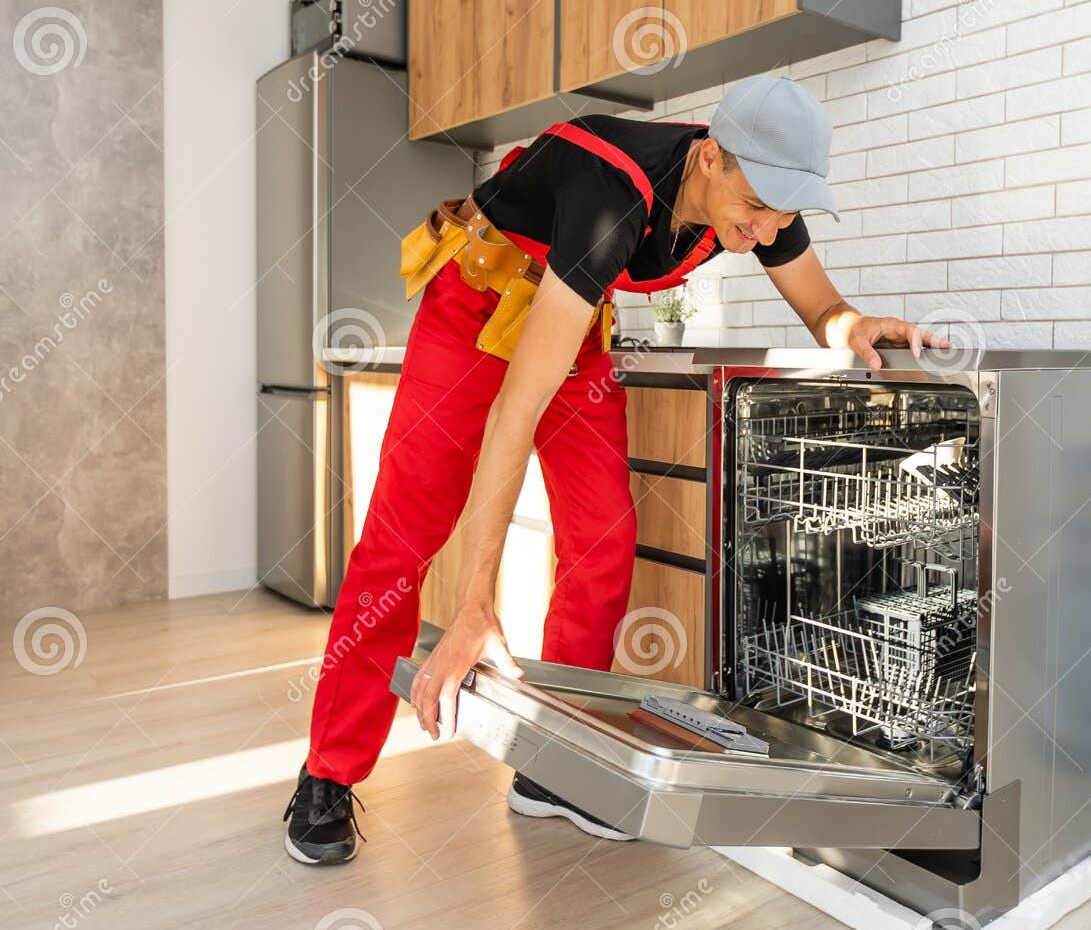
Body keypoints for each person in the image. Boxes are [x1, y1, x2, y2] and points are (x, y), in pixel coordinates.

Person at [283, 75, 948, 864]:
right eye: (758, 206)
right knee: (403, 534)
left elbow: (823, 309)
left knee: (602, 538)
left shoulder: (759, 201)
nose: (769, 227)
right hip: (474, 301)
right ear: (711, 158)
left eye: (784, 212)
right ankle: (327, 772)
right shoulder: (614, 195)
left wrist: (855, 324)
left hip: (576, 319)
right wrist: (474, 605)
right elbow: (516, 410)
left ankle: (550, 765)